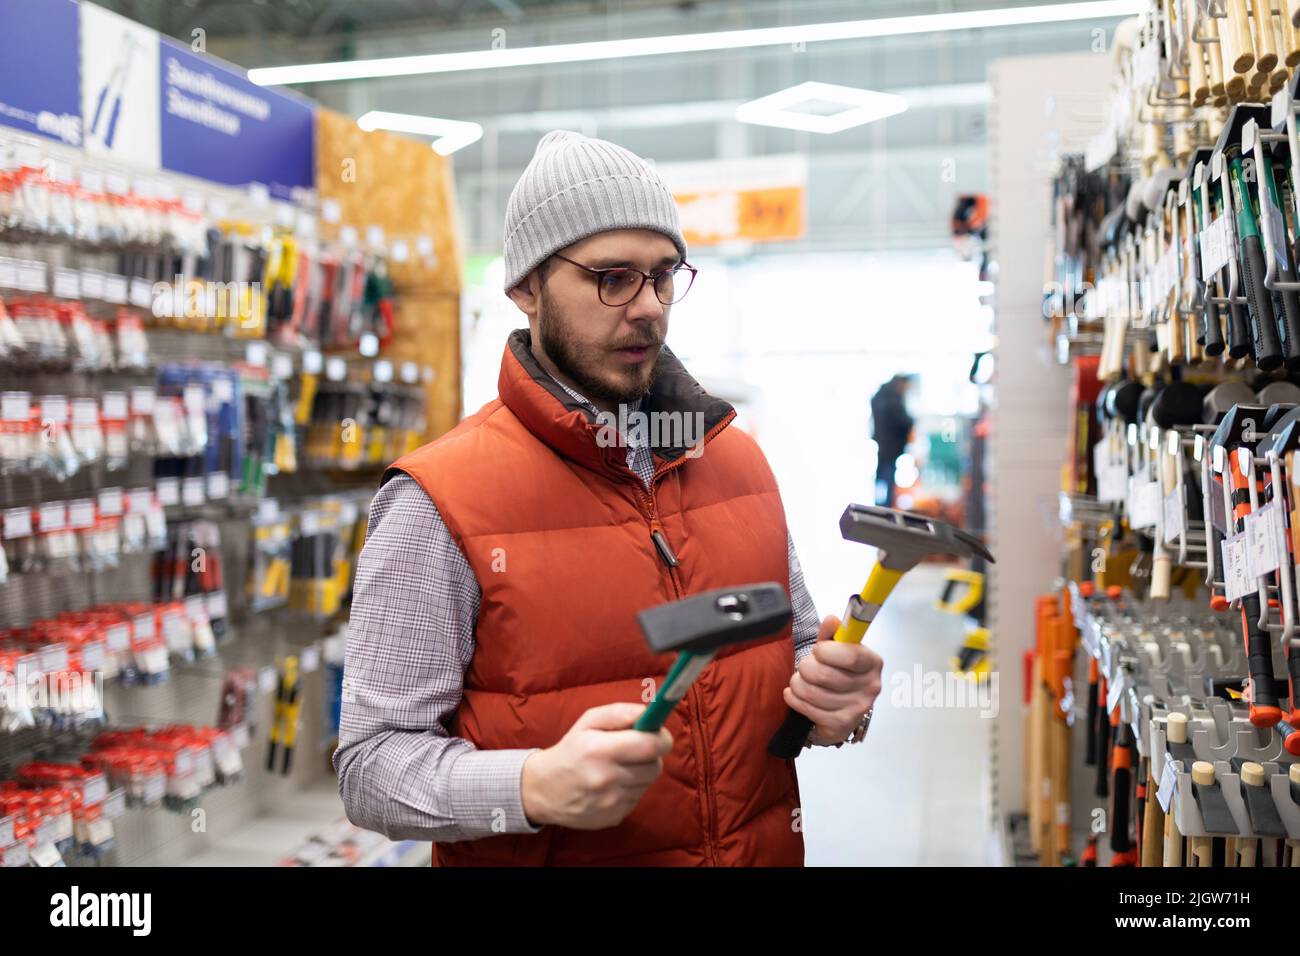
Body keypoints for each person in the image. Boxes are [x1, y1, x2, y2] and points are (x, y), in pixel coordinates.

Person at [334, 130, 884, 867]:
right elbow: (370, 766)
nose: (649, 307)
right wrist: (528, 786)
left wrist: (832, 700)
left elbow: (799, 649)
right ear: (526, 287)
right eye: (613, 277)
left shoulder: (737, 461)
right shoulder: (438, 501)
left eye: (663, 276)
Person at [870, 374, 916, 508]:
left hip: (882, 444)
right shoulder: (893, 399)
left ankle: (879, 505)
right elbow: (903, 421)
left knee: (881, 477)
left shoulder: (879, 397)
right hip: (891, 446)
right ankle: (885, 508)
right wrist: (912, 422)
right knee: (887, 477)